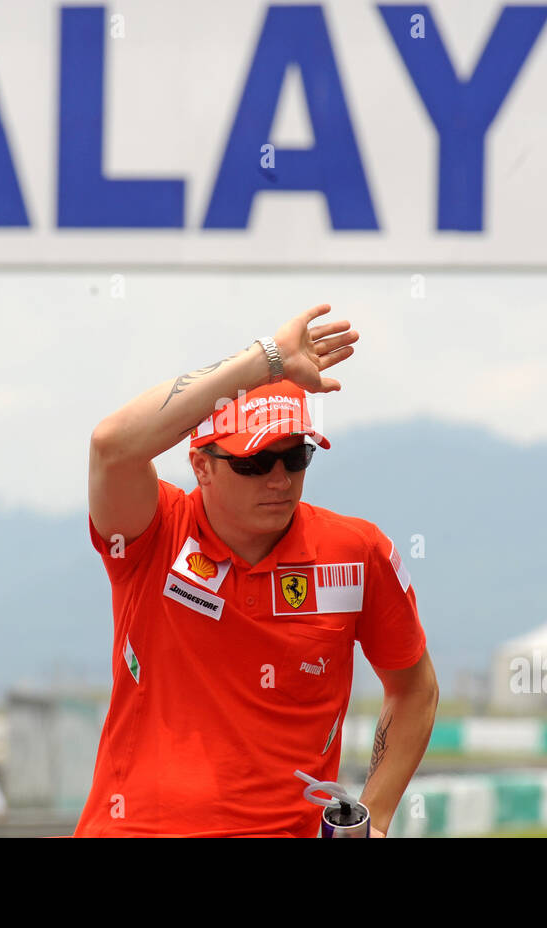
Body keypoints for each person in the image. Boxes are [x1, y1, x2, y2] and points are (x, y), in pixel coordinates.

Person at [75, 304, 438, 837]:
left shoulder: (356, 551)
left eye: (296, 457)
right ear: (201, 465)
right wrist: (267, 361)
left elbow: (414, 688)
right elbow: (111, 447)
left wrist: (375, 816)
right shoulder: (155, 533)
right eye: (253, 461)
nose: (279, 479)